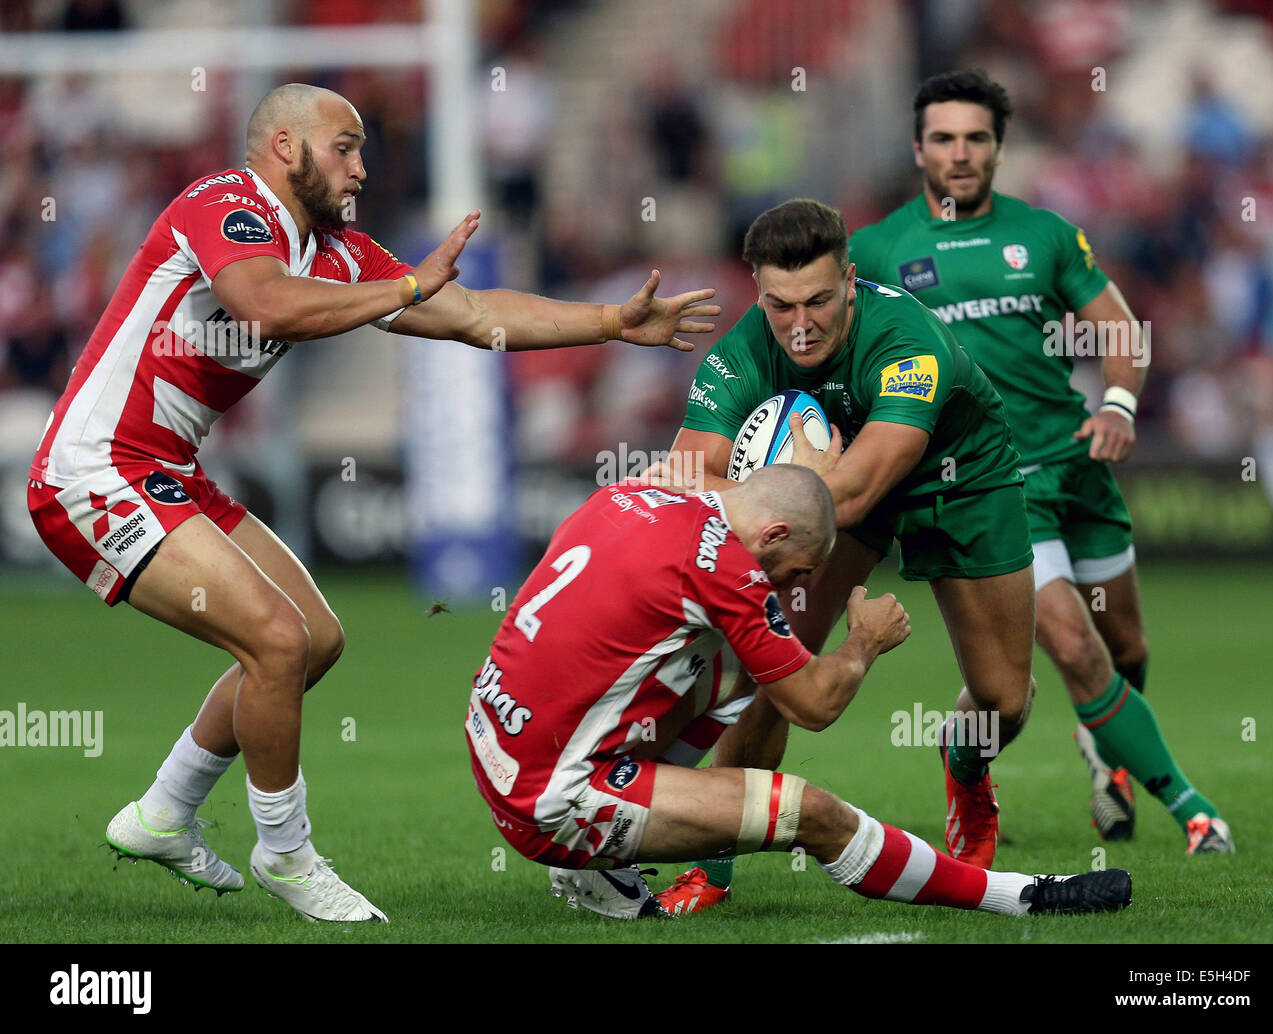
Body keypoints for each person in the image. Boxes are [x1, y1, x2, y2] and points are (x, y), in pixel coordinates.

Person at [27, 83, 719, 923]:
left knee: (313, 640)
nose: (362, 167)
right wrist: (402, 292)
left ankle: (164, 813)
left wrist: (611, 319)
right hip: (96, 468)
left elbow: (469, 313)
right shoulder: (227, 203)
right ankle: (287, 854)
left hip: (166, 466)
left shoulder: (339, 251)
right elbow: (264, 302)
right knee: (275, 642)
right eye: (344, 148)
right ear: (284, 147)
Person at [468, 465, 1132, 921]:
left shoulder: (630, 495)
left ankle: (601, 868)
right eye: (799, 570)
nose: (792, 584)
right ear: (776, 534)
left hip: (494, 734)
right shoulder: (725, 567)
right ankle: (1021, 896)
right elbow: (814, 706)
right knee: (812, 814)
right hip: (550, 797)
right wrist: (863, 642)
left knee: (731, 670)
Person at [849, 69, 1232, 856]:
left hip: (1078, 463)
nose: (961, 153)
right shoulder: (877, 251)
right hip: (995, 484)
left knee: (1126, 648)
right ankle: (1194, 810)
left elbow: (1120, 329)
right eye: (945, 138)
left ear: (998, 146)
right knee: (1072, 645)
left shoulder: (1047, 235)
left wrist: (1120, 407)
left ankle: (1108, 762)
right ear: (919, 148)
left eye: (977, 138)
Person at [650, 196, 1043, 914]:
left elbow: (856, 491)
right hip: (826, 491)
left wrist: (761, 489)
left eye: (820, 301)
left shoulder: (907, 341)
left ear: (852, 281)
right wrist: (762, 490)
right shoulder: (745, 348)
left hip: (960, 478)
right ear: (760, 294)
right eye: (780, 305)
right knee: (775, 668)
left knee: (1002, 698)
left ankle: (966, 759)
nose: (800, 325)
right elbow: (682, 478)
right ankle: (712, 866)